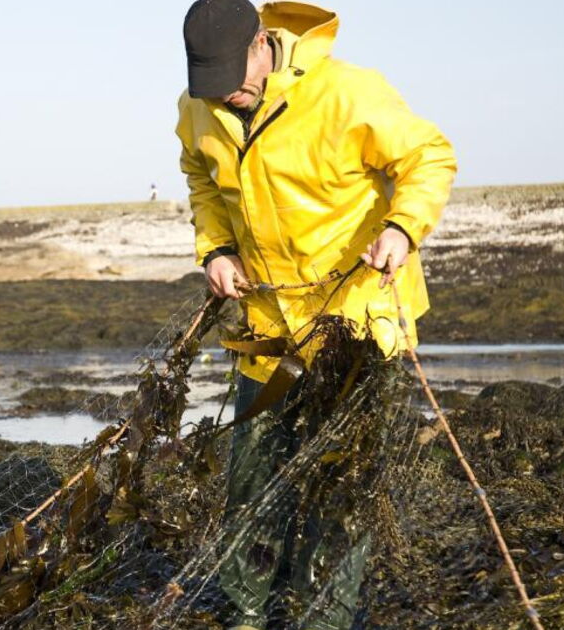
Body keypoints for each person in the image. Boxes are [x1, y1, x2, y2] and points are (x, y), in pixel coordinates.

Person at [176, 1, 456, 629]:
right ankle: (247, 613)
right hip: (267, 328)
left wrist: (403, 230)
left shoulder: (346, 93)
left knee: (341, 487)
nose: (230, 98)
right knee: (249, 478)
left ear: (260, 44)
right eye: (213, 87)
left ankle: (326, 619)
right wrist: (216, 249)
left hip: (356, 322)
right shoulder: (199, 107)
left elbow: (429, 158)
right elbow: (199, 175)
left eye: (236, 81)